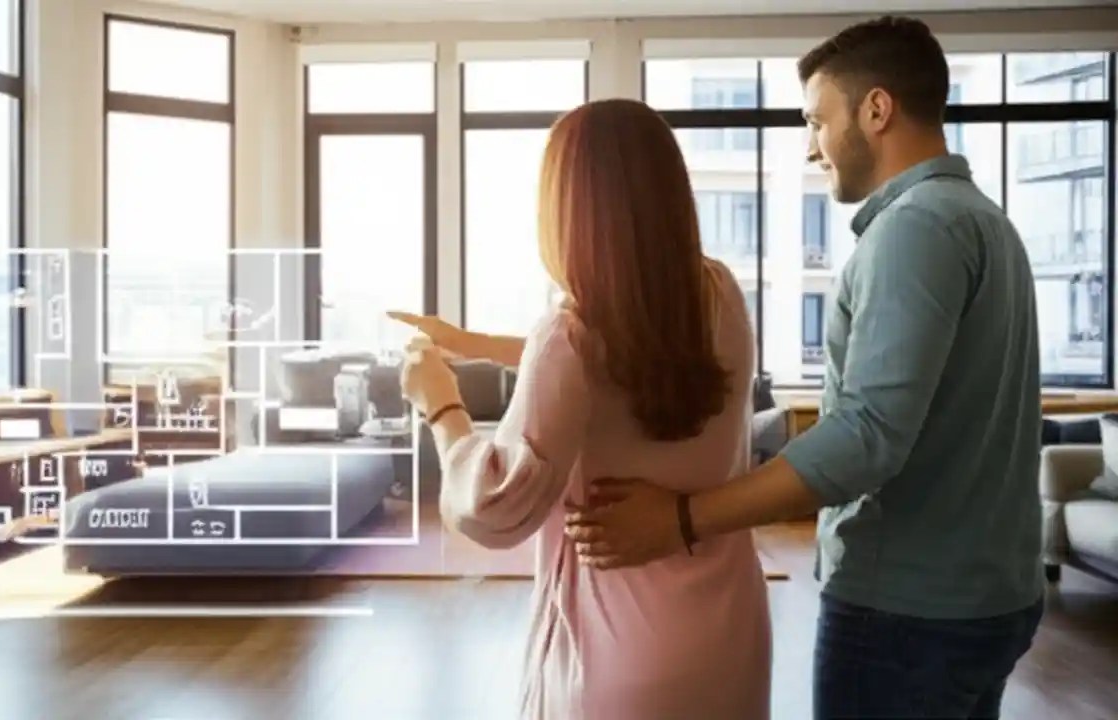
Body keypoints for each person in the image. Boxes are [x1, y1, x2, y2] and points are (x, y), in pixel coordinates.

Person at [563, 16, 1045, 720]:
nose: (812, 146)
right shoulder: (984, 221)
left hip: (908, 613)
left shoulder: (914, 229)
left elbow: (867, 436)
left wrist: (683, 518)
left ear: (876, 109)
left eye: (817, 120)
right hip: (994, 598)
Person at [392, 98, 771, 720]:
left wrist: (439, 402)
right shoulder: (719, 293)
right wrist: (472, 344)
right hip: (729, 634)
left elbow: (493, 508)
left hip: (617, 654)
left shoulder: (569, 337)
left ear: (566, 209)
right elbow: (620, 360)